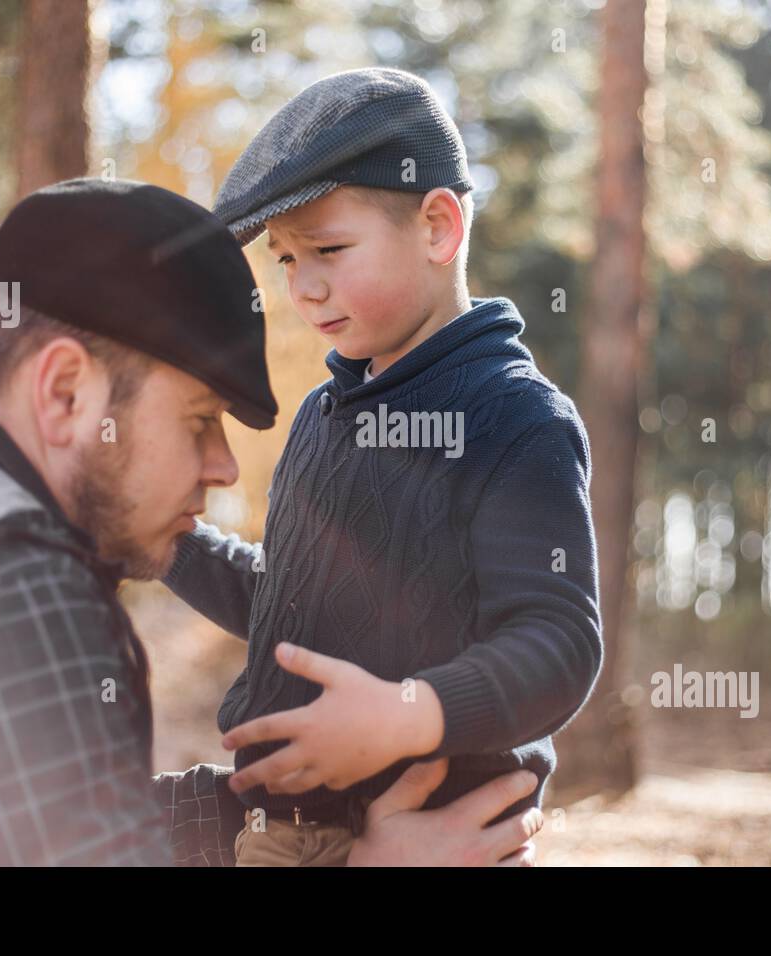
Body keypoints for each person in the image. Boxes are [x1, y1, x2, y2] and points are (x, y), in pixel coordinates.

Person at [0, 178, 541, 866]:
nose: (223, 466)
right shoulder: (18, 604)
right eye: (200, 418)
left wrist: (255, 813)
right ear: (66, 394)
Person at [163, 68, 603, 866]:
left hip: (431, 827)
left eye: (329, 249)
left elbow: (559, 640)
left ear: (438, 228)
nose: (305, 286)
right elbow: (292, 604)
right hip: (285, 827)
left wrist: (409, 713)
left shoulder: (515, 418)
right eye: (287, 259)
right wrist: (166, 540)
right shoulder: (319, 418)